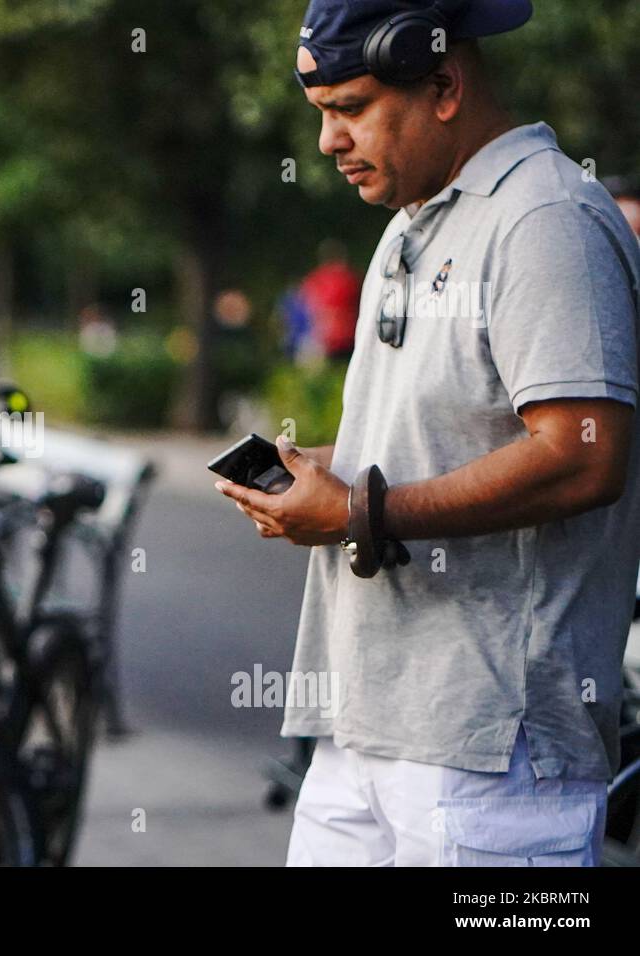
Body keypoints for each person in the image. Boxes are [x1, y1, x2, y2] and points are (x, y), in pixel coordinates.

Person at [216, 0, 640, 866]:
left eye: (351, 108)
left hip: (493, 754)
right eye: (321, 114)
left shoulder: (546, 220)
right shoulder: (414, 221)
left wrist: (361, 513)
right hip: (362, 726)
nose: (330, 140)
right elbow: (440, 440)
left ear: (444, 84)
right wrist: (322, 478)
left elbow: (582, 457)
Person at [299, 239, 361, 360]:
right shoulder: (350, 278)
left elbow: (308, 305)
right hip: (349, 334)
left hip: (325, 336)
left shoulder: (315, 279)